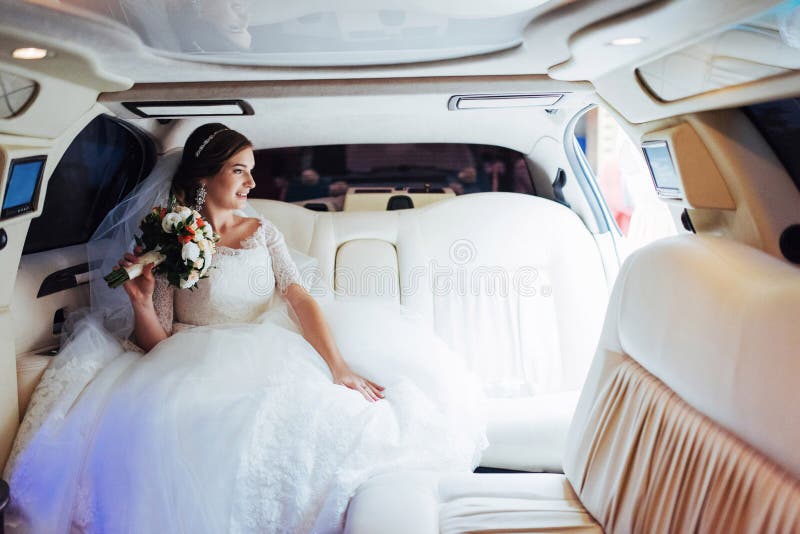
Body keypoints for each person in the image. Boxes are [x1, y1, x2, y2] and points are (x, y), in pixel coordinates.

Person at [2, 124, 487, 533]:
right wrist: (142, 302)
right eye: (240, 170)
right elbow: (158, 341)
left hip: (268, 348)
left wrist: (337, 367)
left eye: (251, 171)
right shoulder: (167, 236)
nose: (252, 183)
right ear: (204, 177)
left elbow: (299, 298)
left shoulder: (264, 234)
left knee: (339, 420)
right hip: (187, 360)